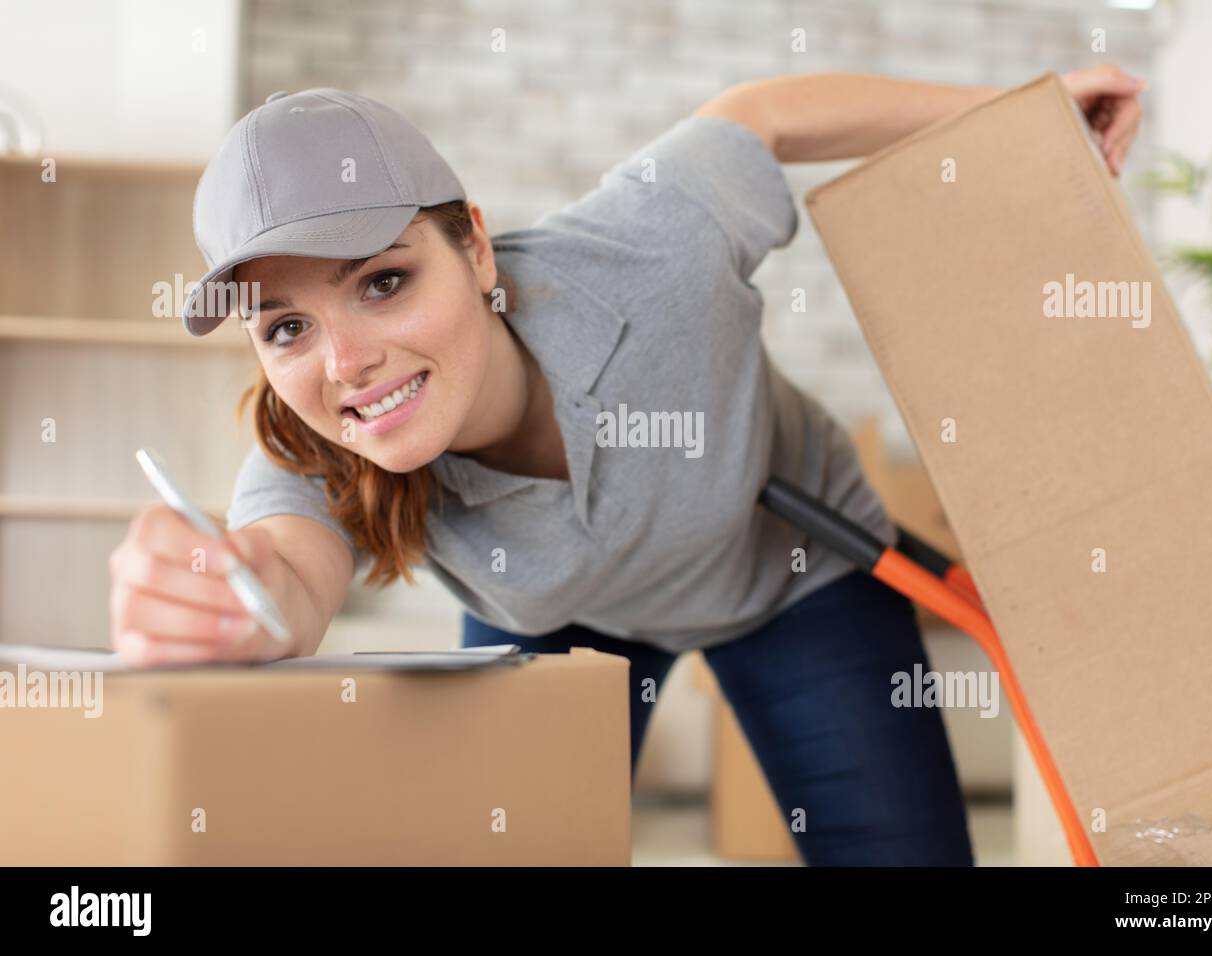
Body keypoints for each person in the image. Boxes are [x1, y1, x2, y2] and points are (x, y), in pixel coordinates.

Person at [108, 67, 1143, 865]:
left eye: (382, 281)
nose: (344, 365)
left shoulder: (653, 247)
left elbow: (764, 112)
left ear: (473, 246)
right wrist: (246, 610)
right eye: (286, 324)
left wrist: (1025, 105)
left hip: (787, 567)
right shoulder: (309, 440)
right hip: (559, 624)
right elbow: (285, 570)